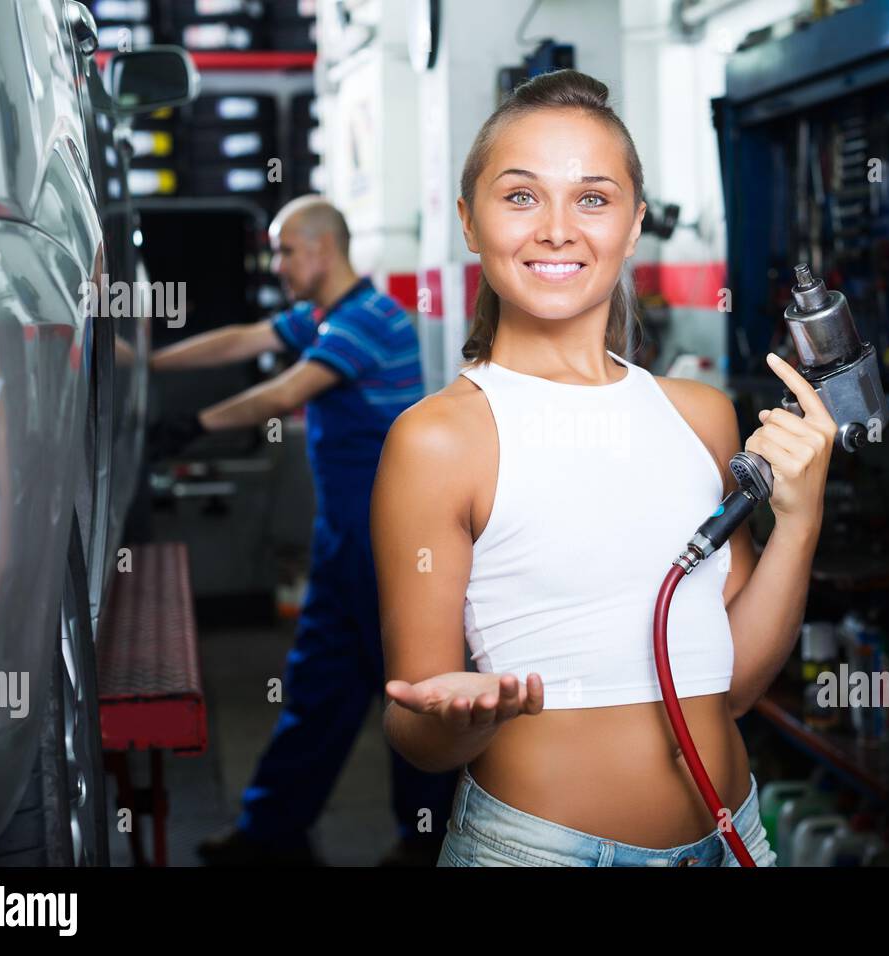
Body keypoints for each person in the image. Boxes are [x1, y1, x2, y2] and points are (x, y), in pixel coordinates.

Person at [371, 71, 836, 867]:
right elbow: (415, 733)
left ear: (634, 223)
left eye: (593, 198)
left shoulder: (700, 414)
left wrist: (800, 522)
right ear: (469, 222)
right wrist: (460, 719)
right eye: (520, 196)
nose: (558, 229)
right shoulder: (441, 439)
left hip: (735, 839)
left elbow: (729, 689)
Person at [149, 195, 459, 866]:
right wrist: (147, 363)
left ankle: (428, 842)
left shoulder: (368, 320)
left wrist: (194, 427)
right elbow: (244, 339)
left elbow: (287, 391)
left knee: (412, 693)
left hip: (395, 544)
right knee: (318, 686)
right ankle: (271, 831)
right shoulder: (323, 316)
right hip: (345, 541)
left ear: (320, 249)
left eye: (286, 251)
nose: (278, 264)